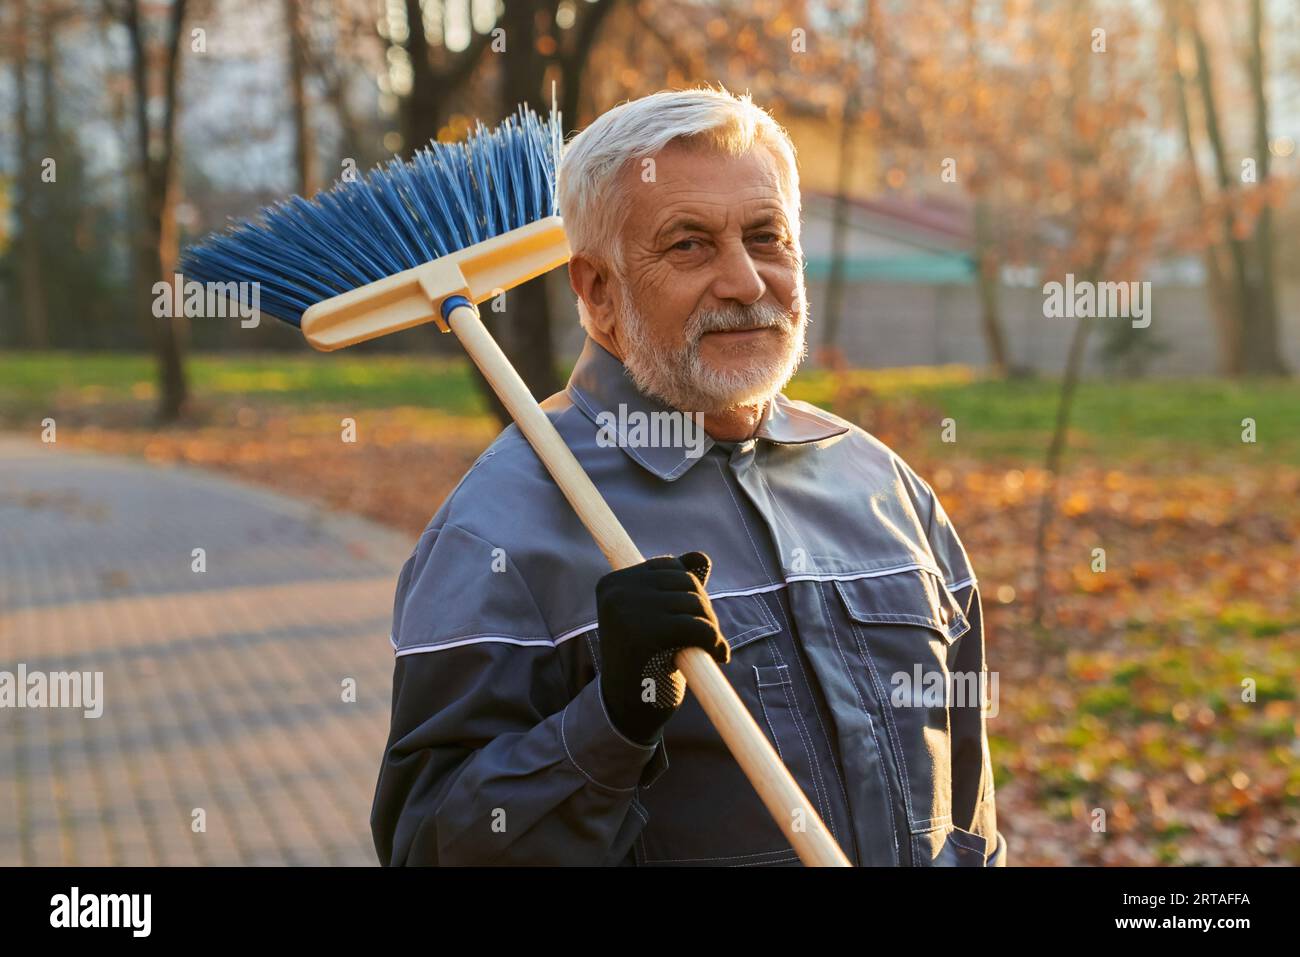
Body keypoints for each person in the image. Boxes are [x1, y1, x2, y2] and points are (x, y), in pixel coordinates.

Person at [371, 87, 1006, 867]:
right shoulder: (497, 533)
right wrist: (612, 718)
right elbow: (430, 850)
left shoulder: (886, 490)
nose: (745, 281)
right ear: (598, 291)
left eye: (767, 237)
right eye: (689, 245)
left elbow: (969, 802)